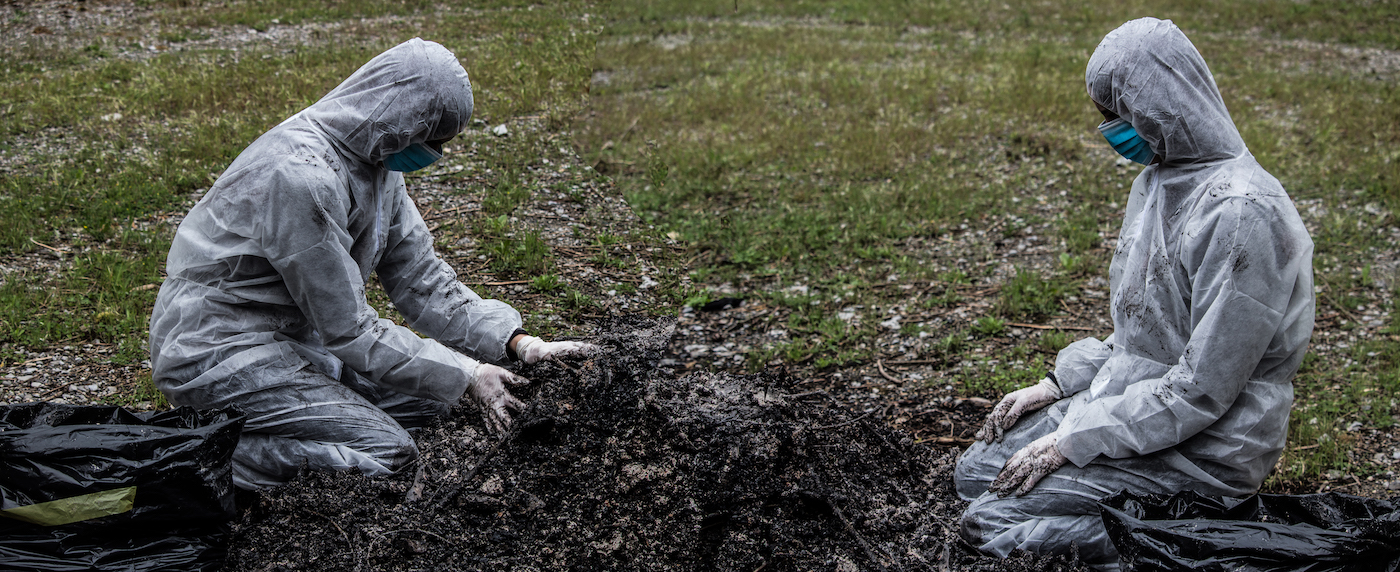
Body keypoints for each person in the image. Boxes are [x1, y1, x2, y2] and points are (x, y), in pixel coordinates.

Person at [149, 38, 597, 490]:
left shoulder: (377, 166)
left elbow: (423, 282)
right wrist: (469, 374)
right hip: (220, 350)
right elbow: (350, 330)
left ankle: (268, 427)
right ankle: (203, 454)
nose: (434, 154)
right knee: (389, 456)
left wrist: (520, 345)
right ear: (400, 118)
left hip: (299, 344)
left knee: (444, 409)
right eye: (433, 141)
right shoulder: (300, 175)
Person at [952, 18, 1315, 570]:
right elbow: (1144, 338)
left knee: (992, 522)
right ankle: (1137, 508)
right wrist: (1058, 385)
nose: (1112, 131)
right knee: (975, 473)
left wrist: (1070, 442)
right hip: (1143, 404)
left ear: (1161, 105)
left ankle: (1203, 532)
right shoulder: (1160, 183)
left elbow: (1200, 390)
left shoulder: (1243, 213)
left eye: (1116, 115)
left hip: (1207, 447)